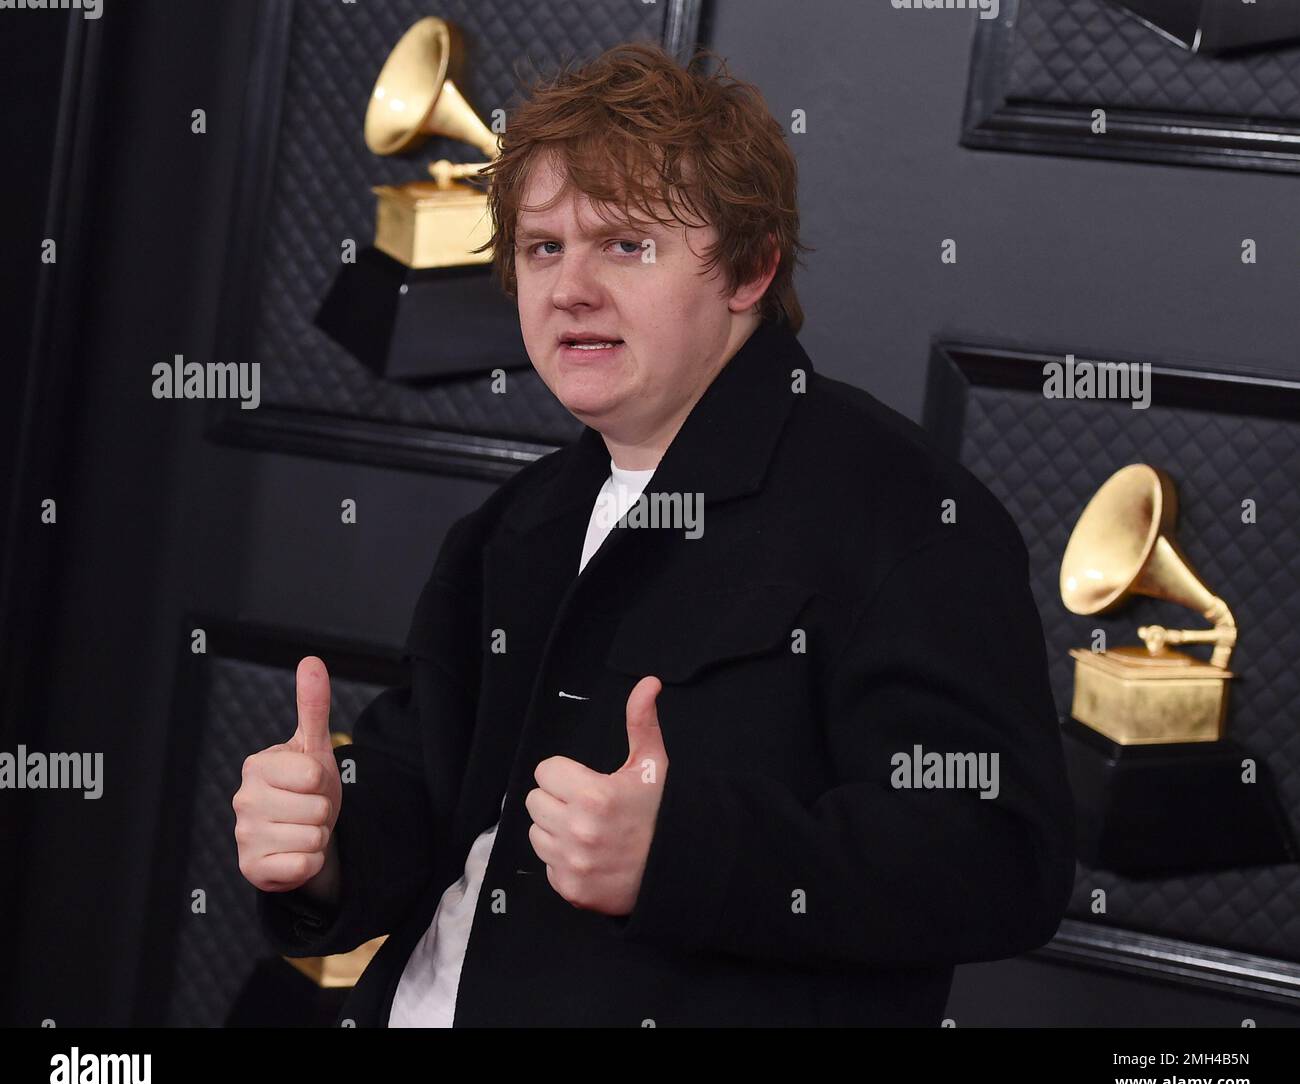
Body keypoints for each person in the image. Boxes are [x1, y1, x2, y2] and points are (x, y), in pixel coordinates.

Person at [233, 41, 1075, 1027]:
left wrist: (681, 855)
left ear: (751, 266)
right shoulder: (514, 524)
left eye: (626, 244)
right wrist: (322, 844)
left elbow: (1000, 858)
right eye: (544, 247)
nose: (568, 288)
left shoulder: (903, 512)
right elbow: (420, 803)